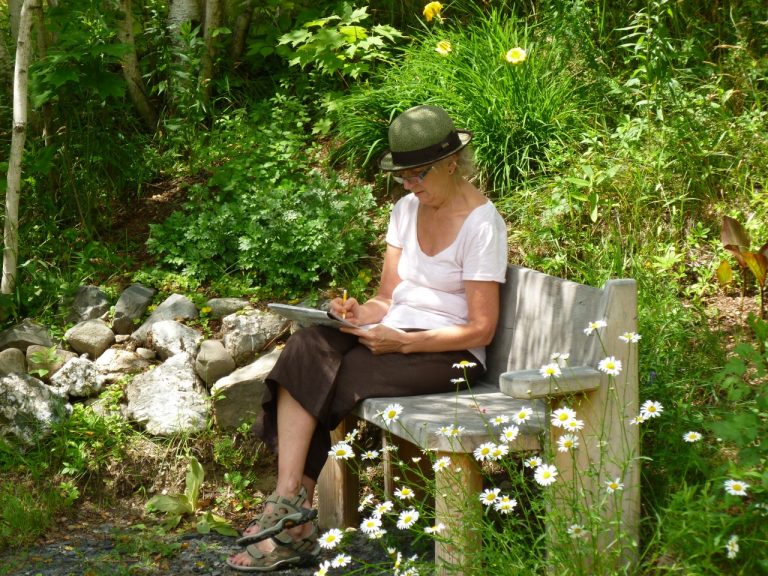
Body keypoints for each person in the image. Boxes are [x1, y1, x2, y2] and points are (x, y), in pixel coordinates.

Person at [227, 104, 508, 572]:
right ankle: (288, 501)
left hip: (448, 352)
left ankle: (290, 524)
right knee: (306, 347)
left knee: (336, 374)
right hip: (391, 335)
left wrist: (404, 342)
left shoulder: (481, 224)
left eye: (418, 175)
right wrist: (358, 314)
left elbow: (482, 328)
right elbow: (387, 297)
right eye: (403, 177)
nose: (410, 185)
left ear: (450, 164)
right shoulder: (406, 209)